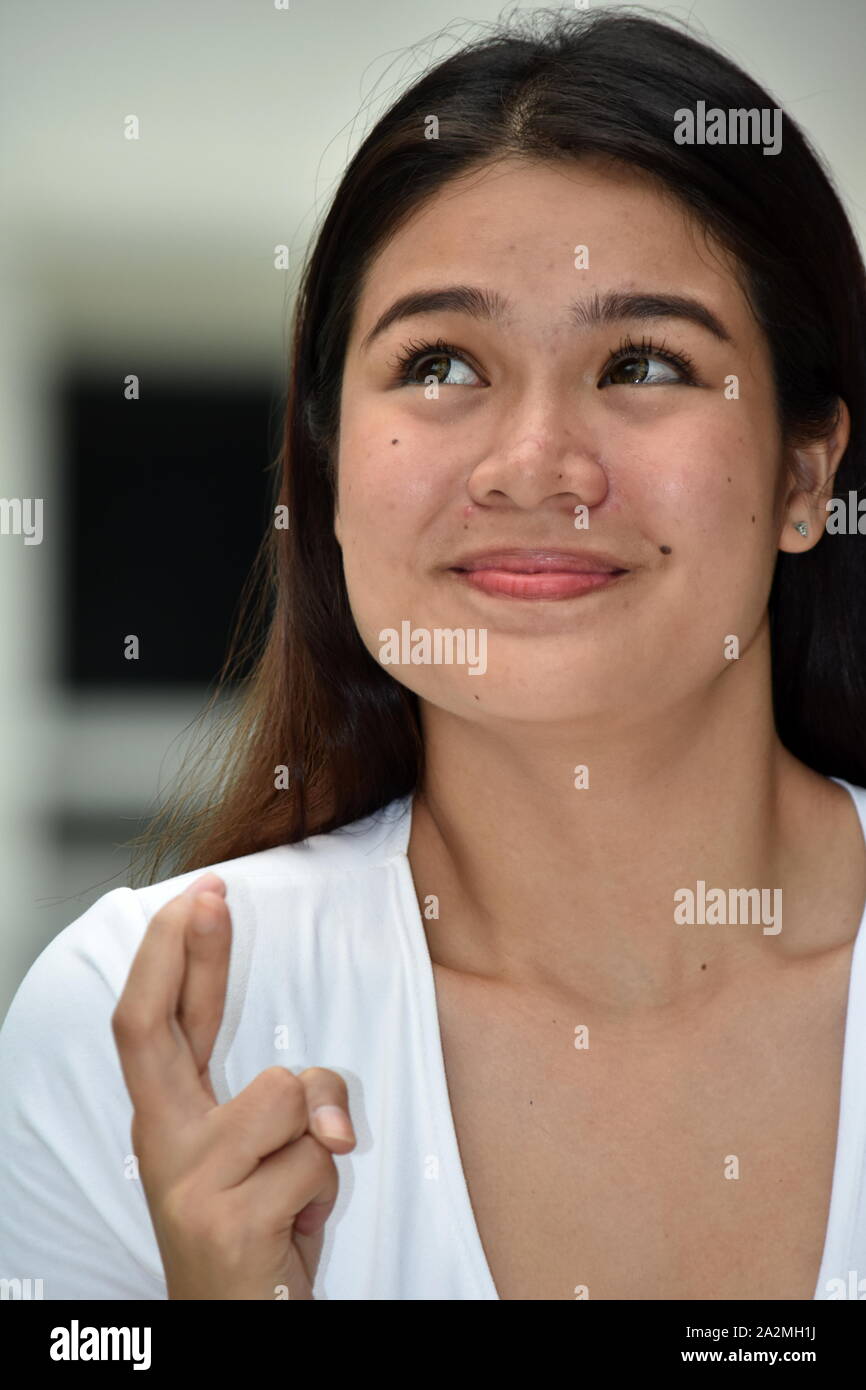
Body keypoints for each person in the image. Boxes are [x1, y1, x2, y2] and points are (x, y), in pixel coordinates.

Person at [2, 7, 866, 1301]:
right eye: (442, 362)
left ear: (805, 473)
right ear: (334, 473)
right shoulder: (145, 1022)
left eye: (640, 360)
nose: (534, 466)